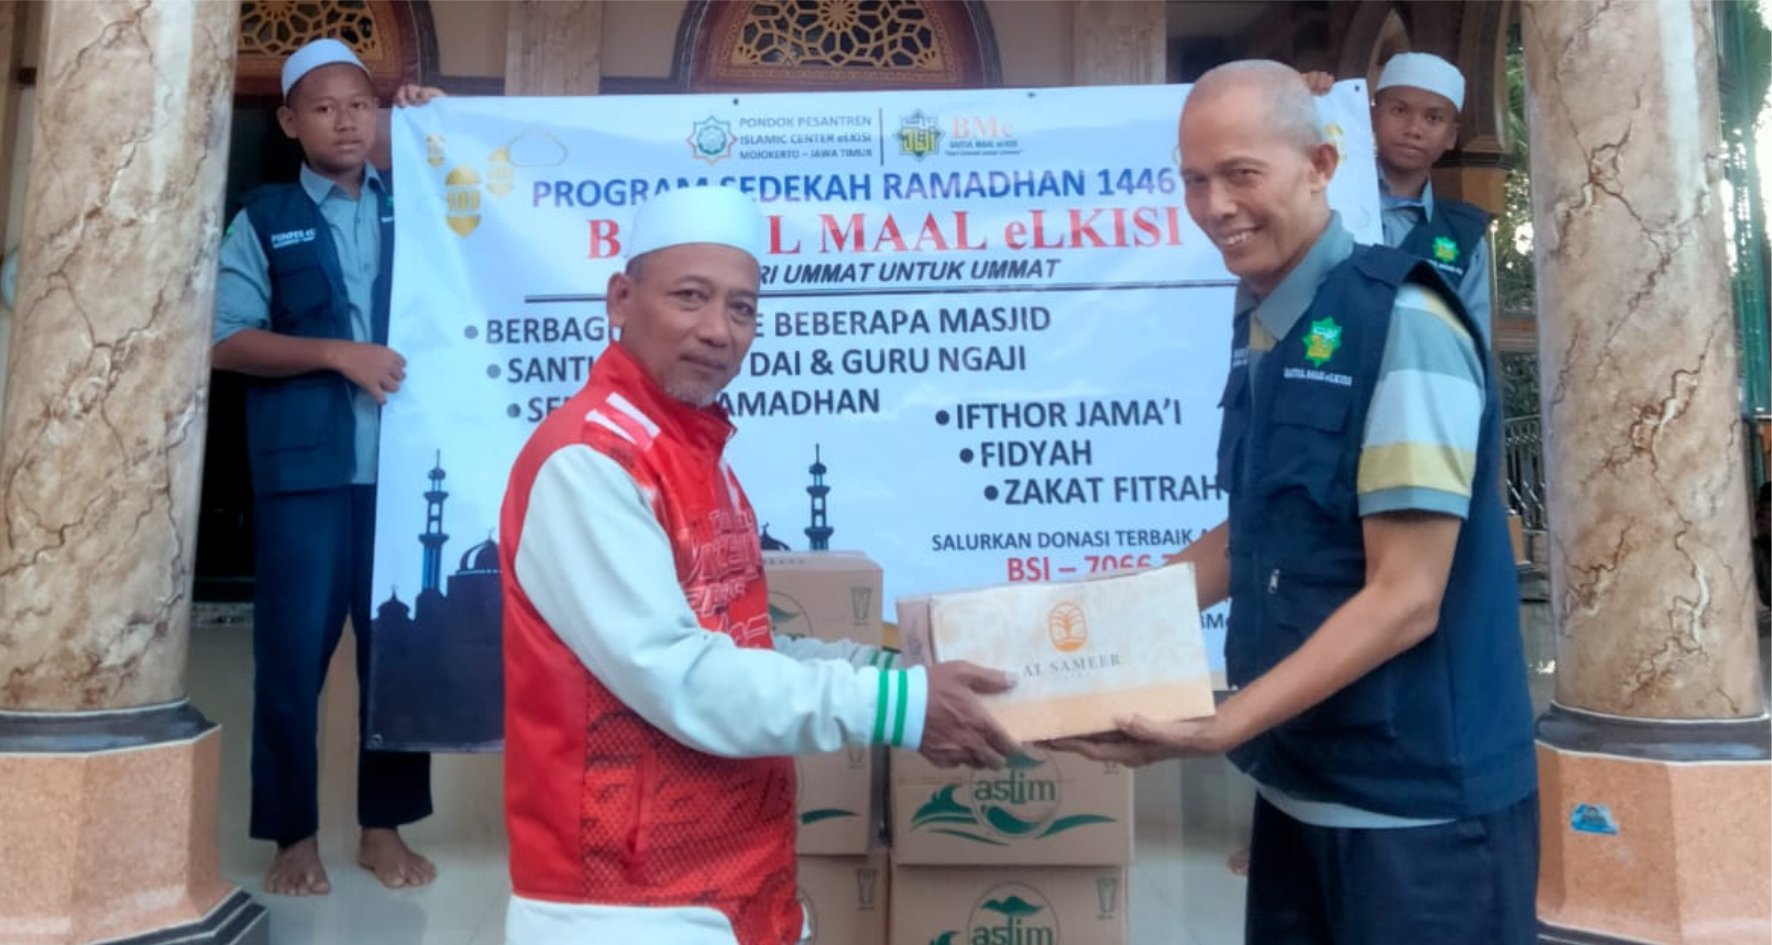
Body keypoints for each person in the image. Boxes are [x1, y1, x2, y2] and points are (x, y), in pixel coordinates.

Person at [1054, 61, 1538, 944]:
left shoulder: (1405, 323)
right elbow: (1261, 535)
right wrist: (1080, 629)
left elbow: (1406, 597)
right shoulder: (1268, 321)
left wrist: (1215, 727)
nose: (1214, 206)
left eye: (1241, 174)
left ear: (1319, 164)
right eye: (1195, 180)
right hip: (1300, 789)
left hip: (1416, 814)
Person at [497, 185, 1019, 945]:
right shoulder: (588, 461)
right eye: (689, 297)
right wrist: (900, 706)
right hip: (622, 904)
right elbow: (682, 676)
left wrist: (896, 666)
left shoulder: (698, 454)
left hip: (746, 884)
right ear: (620, 297)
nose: (719, 330)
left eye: (742, 308)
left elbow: (743, 646)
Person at [210, 38, 444, 897]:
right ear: (289, 121)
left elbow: (487, 222)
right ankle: (292, 834)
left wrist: (439, 129)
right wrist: (339, 354)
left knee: (397, 653)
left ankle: (382, 828)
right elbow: (225, 339)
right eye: (323, 106)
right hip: (306, 474)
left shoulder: (414, 203)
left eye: (361, 104)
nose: (345, 120)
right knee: (291, 656)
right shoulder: (263, 217)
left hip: (405, 472)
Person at [1305, 52, 1494, 339]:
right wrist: (1297, 99)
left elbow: (1471, 345)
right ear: (1371, 117)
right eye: (1399, 111)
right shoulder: (1322, 198)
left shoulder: (1464, 237)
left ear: (1451, 136)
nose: (1413, 129)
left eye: (1433, 117)